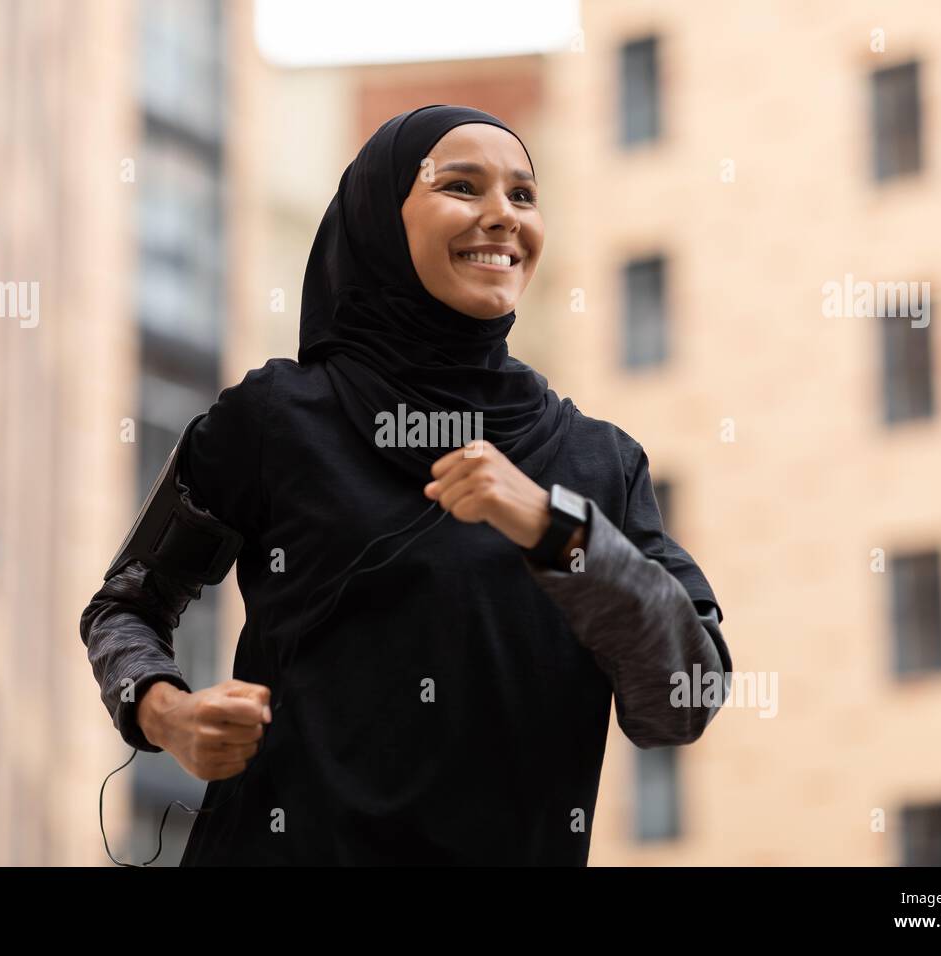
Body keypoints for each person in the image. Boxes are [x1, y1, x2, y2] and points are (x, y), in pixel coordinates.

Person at [79, 104, 731, 866]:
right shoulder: (278, 418)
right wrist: (167, 713)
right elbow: (125, 605)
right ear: (380, 220)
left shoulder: (598, 466)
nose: (501, 218)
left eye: (523, 196)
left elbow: (683, 699)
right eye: (461, 186)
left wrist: (555, 530)